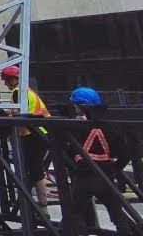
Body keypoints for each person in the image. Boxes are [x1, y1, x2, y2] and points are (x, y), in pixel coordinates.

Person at [63, 87, 136, 236]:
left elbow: (66, 151)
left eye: (75, 105)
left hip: (84, 177)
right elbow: (124, 154)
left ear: (82, 105)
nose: (74, 108)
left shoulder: (75, 126)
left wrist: (74, 166)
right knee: (117, 214)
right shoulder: (108, 126)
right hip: (105, 175)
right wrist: (114, 169)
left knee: (76, 215)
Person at [0, 65, 50, 216]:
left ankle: (41, 208)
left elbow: (18, 114)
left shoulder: (18, 92)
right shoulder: (26, 91)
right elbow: (21, 110)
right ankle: (35, 207)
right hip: (39, 133)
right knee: (34, 171)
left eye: (6, 81)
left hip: (33, 134)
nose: (5, 84)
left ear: (12, 79)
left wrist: (1, 116)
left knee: (34, 172)